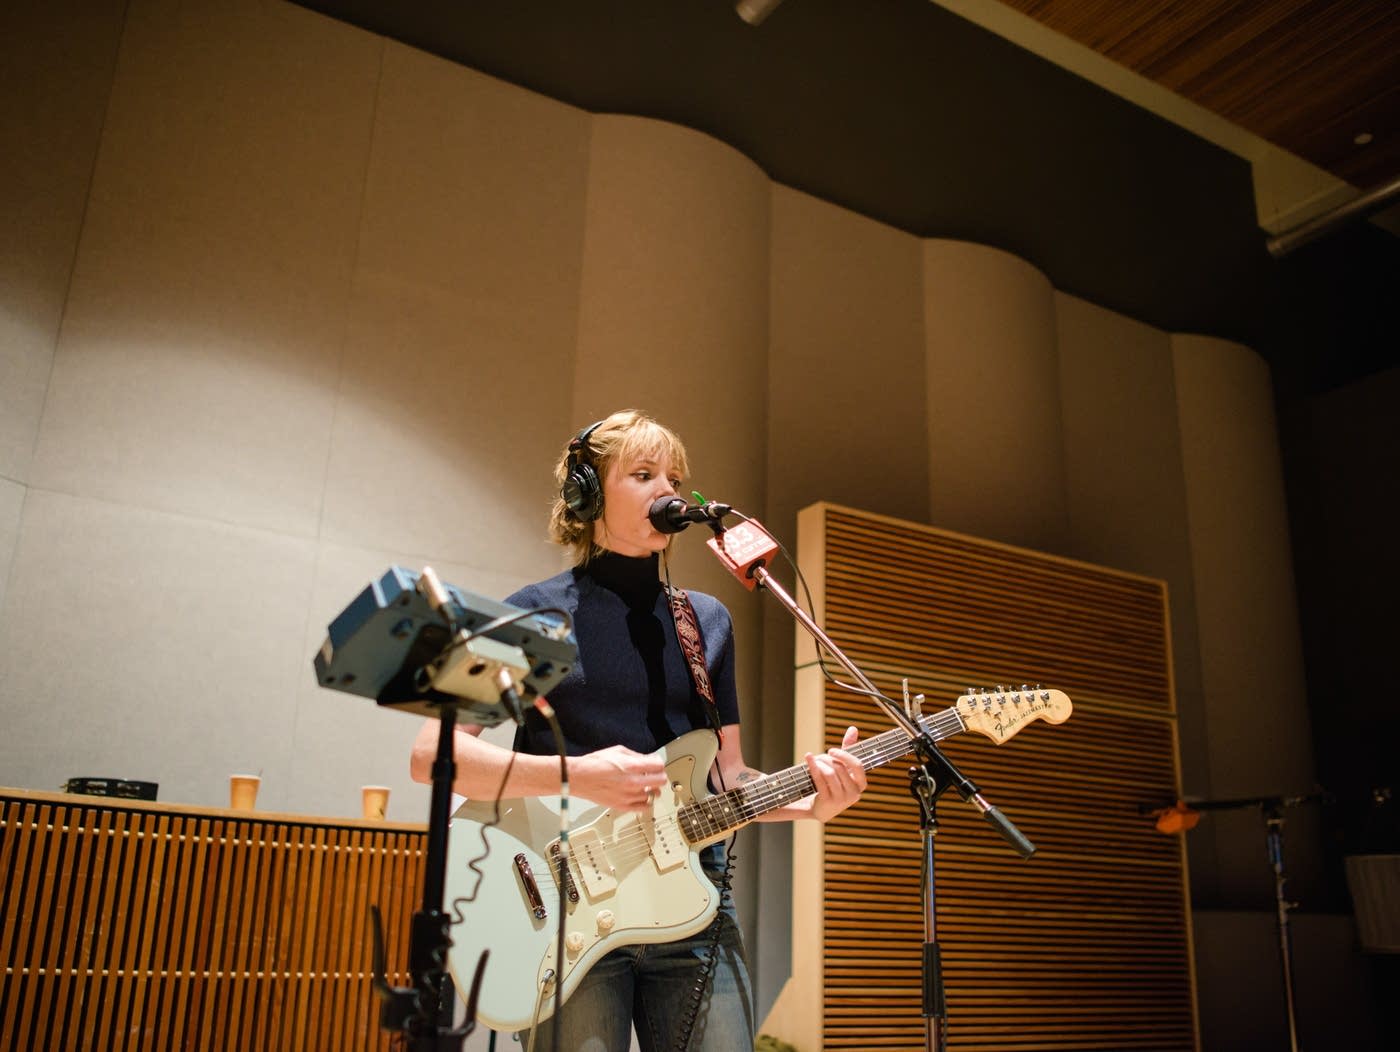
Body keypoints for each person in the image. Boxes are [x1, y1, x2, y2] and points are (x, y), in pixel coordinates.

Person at [410, 408, 867, 1051]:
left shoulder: (706, 621)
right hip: (565, 910)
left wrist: (811, 802)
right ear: (587, 496)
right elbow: (433, 755)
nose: (668, 490)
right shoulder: (533, 614)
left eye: (674, 477)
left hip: (694, 900)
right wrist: (576, 776)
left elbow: (728, 777)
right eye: (644, 473)